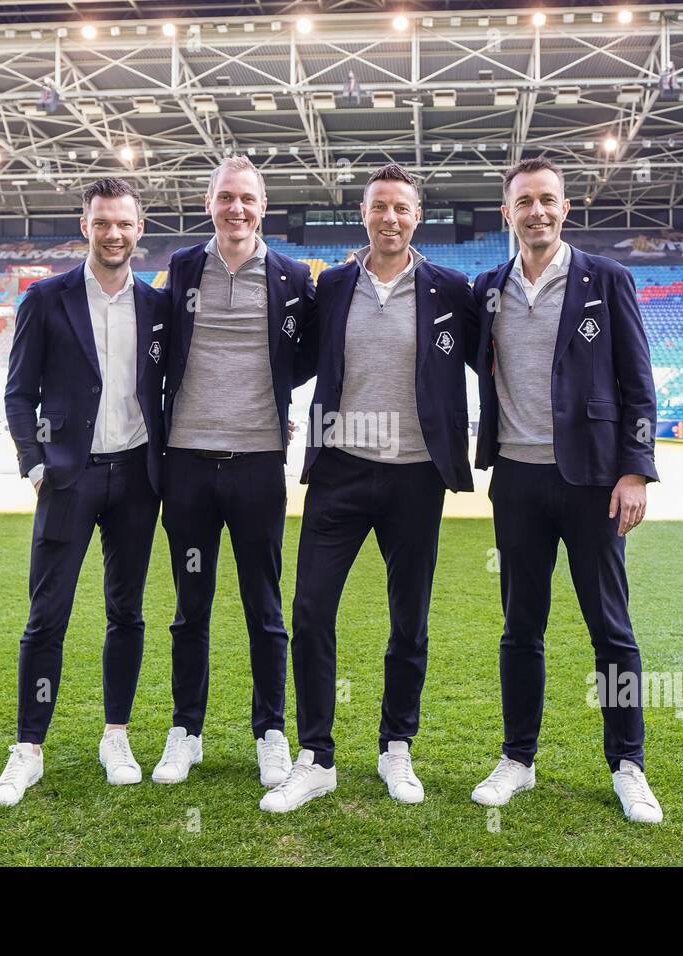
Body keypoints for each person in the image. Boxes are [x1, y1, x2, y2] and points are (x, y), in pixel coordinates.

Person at [261, 164, 477, 813]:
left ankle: (395, 746)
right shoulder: (331, 289)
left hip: (416, 475)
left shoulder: (449, 290)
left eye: (401, 208)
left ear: (417, 217)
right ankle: (316, 756)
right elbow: (288, 362)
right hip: (340, 470)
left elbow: (500, 359)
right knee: (310, 610)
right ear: (363, 213)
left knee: (409, 620)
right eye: (379, 206)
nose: (390, 218)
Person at [468, 157, 665, 823]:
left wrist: (635, 468)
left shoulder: (606, 280)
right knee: (521, 626)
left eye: (547, 200)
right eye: (524, 202)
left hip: (593, 484)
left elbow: (638, 382)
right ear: (508, 213)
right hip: (516, 481)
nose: (537, 212)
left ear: (565, 206)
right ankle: (517, 759)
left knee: (611, 629)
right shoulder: (488, 289)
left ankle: (629, 764)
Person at [0, 178, 167, 806]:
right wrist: (35, 466)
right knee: (47, 617)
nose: (113, 234)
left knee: (127, 611)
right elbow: (18, 392)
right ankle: (28, 748)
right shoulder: (46, 298)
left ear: (139, 229)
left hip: (137, 478)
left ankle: (115, 734)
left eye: (123, 223)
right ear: (85, 225)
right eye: (101, 223)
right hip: (70, 478)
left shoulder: (157, 306)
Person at [154, 155, 318, 788]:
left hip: (256, 466)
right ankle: (184, 732)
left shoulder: (291, 276)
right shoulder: (182, 269)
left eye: (247, 199)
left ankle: (271, 733)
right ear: (209, 203)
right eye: (226, 197)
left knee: (264, 608)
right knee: (190, 608)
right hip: (188, 465)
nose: (237, 209)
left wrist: (273, 400)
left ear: (263, 206)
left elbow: (302, 355)